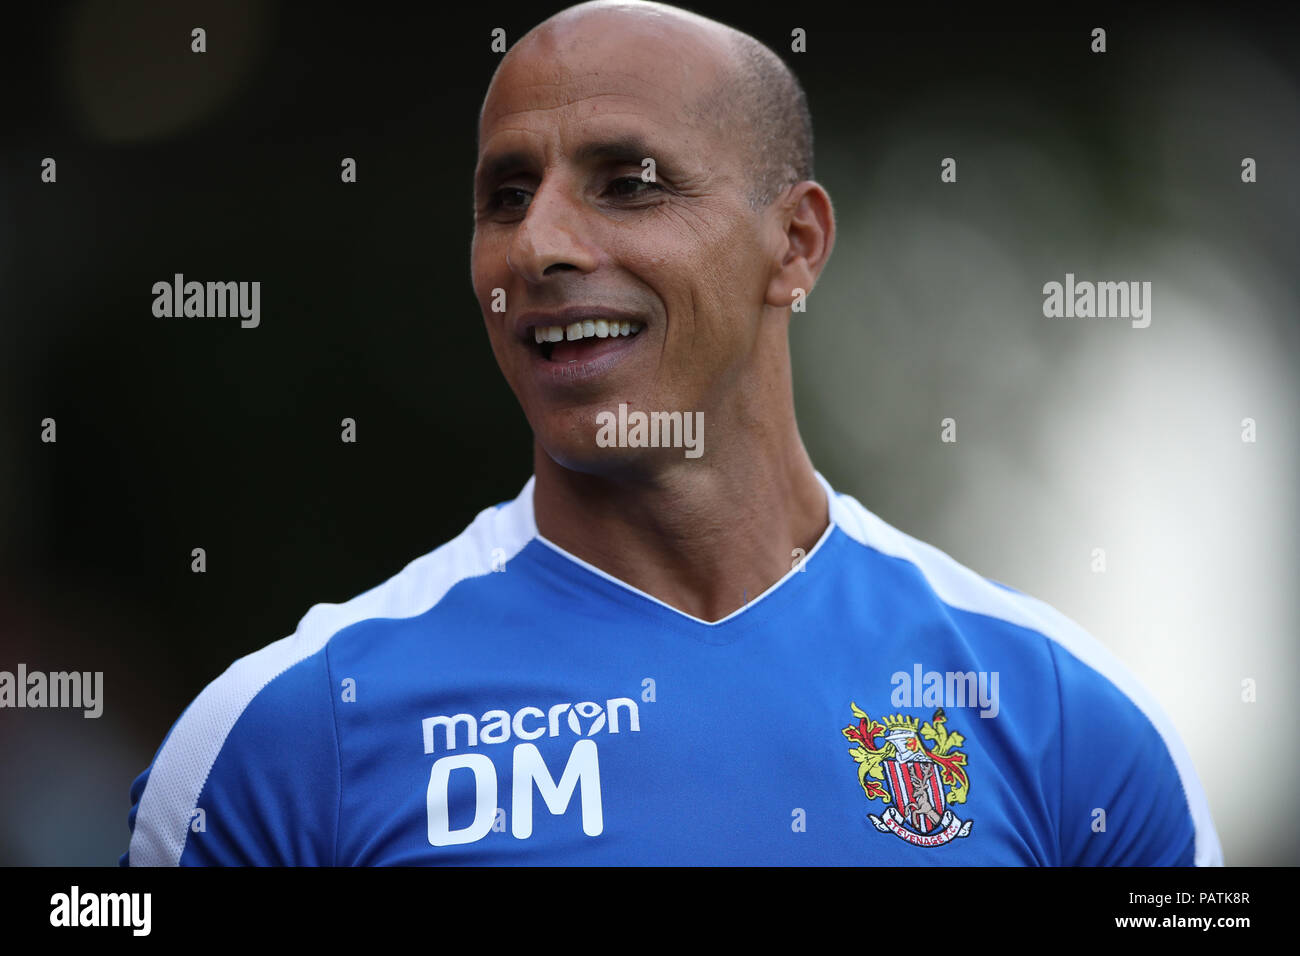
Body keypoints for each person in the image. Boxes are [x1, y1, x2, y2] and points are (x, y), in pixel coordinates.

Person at [121, 0, 1222, 865]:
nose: (537, 243)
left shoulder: (1067, 723)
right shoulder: (285, 735)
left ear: (794, 244)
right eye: (505, 195)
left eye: (627, 183)